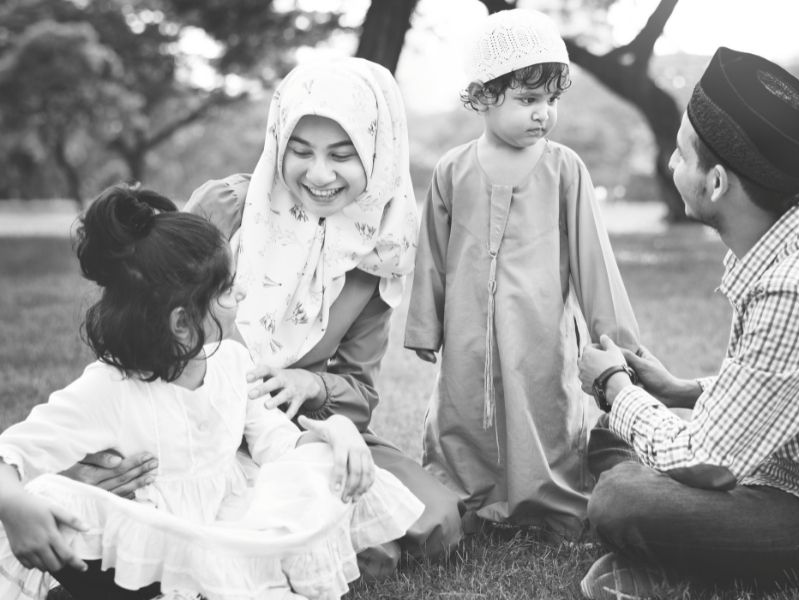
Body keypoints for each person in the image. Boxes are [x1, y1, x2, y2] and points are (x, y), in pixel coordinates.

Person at [63, 57, 464, 576]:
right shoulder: (228, 208)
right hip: (192, 422)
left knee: (431, 522)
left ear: (378, 154)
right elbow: (142, 328)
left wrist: (310, 385)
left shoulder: (376, 251)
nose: (319, 175)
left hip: (297, 434)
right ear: (278, 142)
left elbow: (360, 394)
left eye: (342, 155)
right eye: (300, 152)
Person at [577, 47, 799, 599]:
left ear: (718, 183)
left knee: (622, 502)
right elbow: (767, 391)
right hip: (784, 467)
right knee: (611, 442)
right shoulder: (781, 240)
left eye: (679, 155)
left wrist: (613, 385)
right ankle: (677, 552)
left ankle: (692, 569)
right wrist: (680, 391)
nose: (671, 166)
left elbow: (706, 459)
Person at [0, 185, 424, 600]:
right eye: (226, 289)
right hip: (148, 551)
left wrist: (337, 432)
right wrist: (15, 506)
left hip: (224, 528)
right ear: (182, 324)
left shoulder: (232, 364)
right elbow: (9, 456)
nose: (240, 292)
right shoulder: (106, 389)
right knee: (46, 495)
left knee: (319, 460)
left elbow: (278, 443)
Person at [404, 8, 640, 539]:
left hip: (539, 331)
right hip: (468, 332)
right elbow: (432, 254)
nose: (543, 114)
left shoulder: (564, 167)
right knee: (465, 414)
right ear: (484, 96)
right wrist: (425, 327)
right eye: (529, 100)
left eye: (551, 100)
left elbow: (592, 256)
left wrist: (616, 339)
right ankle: (469, 499)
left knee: (545, 415)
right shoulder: (452, 169)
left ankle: (549, 504)